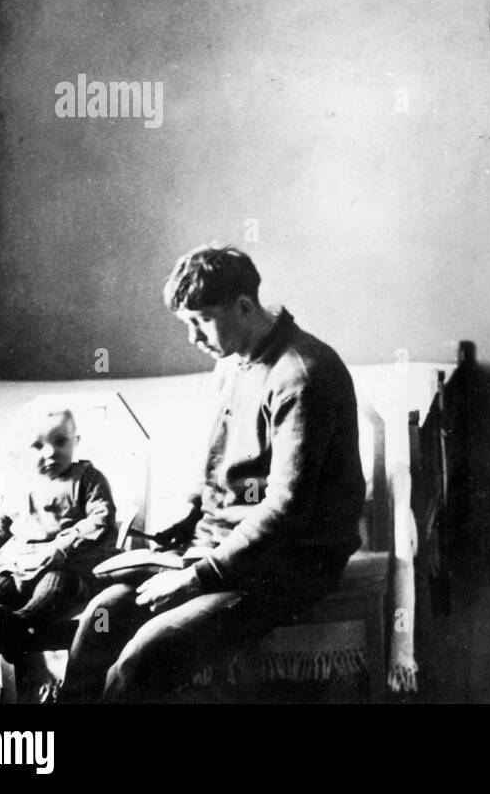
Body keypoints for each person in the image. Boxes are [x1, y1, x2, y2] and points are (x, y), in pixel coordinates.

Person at [62, 245, 365, 702]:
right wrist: (186, 516)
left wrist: (198, 576)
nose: (192, 337)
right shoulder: (233, 363)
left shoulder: (301, 375)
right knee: (100, 618)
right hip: (221, 550)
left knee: (145, 655)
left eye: (201, 320)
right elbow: (226, 470)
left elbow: (287, 509)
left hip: (290, 564)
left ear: (244, 306)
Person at [0, 401, 117, 660]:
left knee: (54, 584)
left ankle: (19, 624)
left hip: (64, 564)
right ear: (22, 451)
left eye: (60, 441)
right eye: (38, 446)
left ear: (76, 440)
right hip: (18, 564)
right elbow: (3, 524)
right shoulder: (20, 482)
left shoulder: (86, 478)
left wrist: (63, 546)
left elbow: (101, 518)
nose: (50, 452)